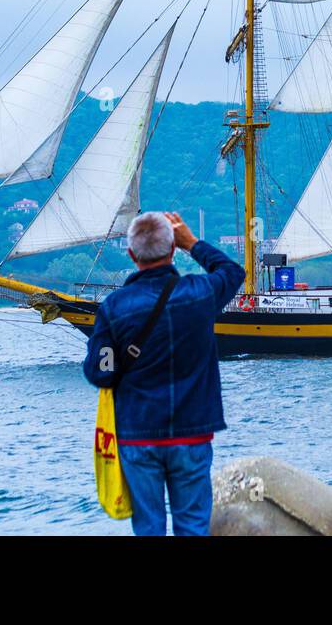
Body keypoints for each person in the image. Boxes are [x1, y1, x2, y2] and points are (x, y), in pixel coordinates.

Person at [83, 211, 245, 536]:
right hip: (192, 433)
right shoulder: (201, 293)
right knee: (193, 526)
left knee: (148, 527)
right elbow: (232, 271)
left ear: (131, 255)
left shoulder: (113, 307)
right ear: (173, 249)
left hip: (138, 435)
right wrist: (192, 243)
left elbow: (99, 374)